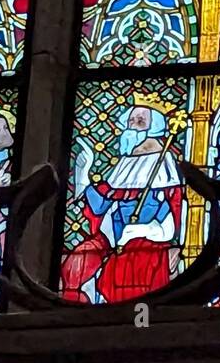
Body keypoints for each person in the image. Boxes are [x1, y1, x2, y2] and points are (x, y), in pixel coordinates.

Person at [61, 99, 183, 303]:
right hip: (109, 240)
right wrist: (83, 175)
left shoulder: (163, 167)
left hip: (146, 244)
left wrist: (141, 231)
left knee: (126, 277)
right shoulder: (124, 165)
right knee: (74, 266)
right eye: (131, 121)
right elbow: (100, 206)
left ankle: (135, 322)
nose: (132, 126)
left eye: (140, 122)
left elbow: (170, 218)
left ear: (154, 130)